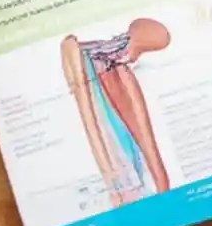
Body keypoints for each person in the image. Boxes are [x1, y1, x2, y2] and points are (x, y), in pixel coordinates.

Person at [59, 18, 171, 207]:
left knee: (132, 149)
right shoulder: (108, 65)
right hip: (94, 73)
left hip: (99, 73)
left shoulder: (118, 70)